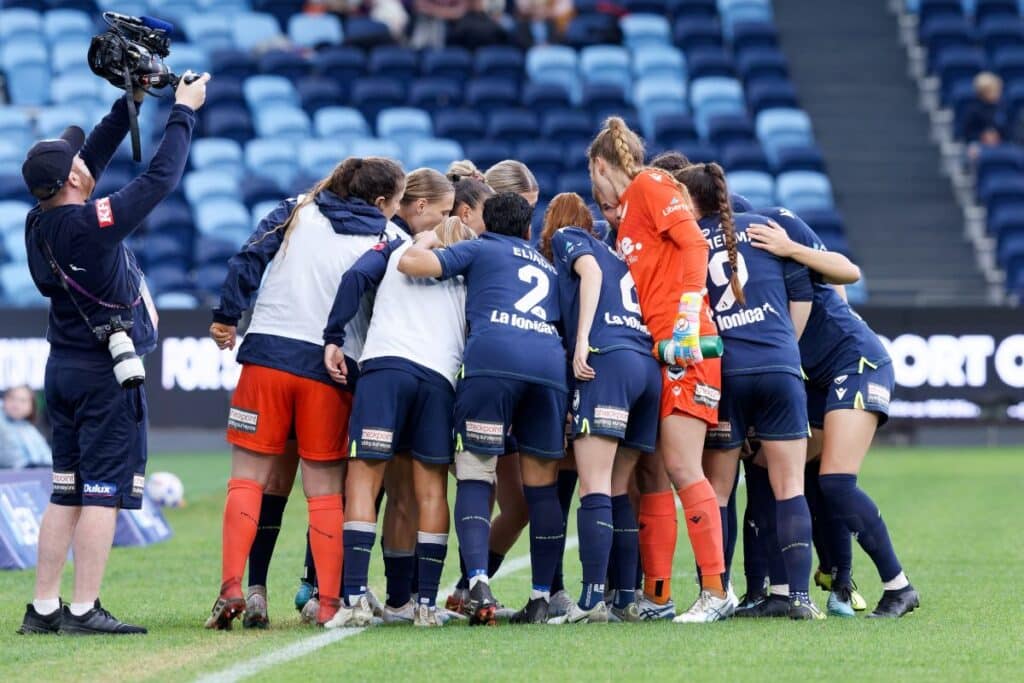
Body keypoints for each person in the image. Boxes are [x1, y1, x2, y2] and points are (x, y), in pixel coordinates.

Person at [16, 72, 209, 636]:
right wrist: (183, 111)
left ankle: (45, 607)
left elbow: (90, 155)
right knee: (101, 491)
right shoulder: (89, 225)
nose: (85, 161)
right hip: (105, 375)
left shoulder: (39, 221)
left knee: (65, 489)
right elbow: (160, 178)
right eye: (77, 162)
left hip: (65, 370)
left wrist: (131, 99)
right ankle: (84, 609)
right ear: (73, 178)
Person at [205, 157, 407, 629]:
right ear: (381, 202)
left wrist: (227, 315)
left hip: (267, 358)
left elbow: (247, 256)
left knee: (248, 480)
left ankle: (233, 588)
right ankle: (330, 603)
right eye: (396, 202)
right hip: (330, 369)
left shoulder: (297, 208)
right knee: (324, 492)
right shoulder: (390, 238)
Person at [398, 192, 568, 626]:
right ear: (529, 230)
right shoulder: (546, 263)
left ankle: (477, 584)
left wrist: (425, 241)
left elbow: (412, 265)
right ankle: (541, 598)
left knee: (477, 471)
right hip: (549, 364)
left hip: (494, 359)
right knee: (542, 488)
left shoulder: (479, 246)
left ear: (485, 224)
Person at [588, 117, 730, 623]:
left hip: (686, 343)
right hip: (658, 348)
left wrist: (690, 313)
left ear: (600, 165)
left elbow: (694, 244)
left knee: (682, 467)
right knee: (655, 473)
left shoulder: (651, 183)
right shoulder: (627, 218)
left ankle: (715, 591)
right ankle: (659, 595)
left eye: (594, 178)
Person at [745, 206, 918, 618]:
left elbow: (846, 272)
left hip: (857, 363)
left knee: (836, 481)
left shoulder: (774, 243)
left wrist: (791, 247)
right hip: (818, 378)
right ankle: (792, 590)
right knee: (770, 465)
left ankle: (899, 587)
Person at [673, 163, 822, 620]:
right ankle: (799, 598)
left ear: (689, 199)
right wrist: (782, 349)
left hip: (724, 375)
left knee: (717, 490)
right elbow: (804, 299)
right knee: (789, 486)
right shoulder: (763, 227)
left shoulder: (686, 240)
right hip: (780, 366)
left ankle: (717, 594)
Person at [322, 215, 474, 628]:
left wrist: (333, 337)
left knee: (364, 483)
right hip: (438, 379)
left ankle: (353, 598)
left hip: (386, 370)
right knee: (430, 493)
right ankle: (424, 604)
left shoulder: (397, 253)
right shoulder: (467, 274)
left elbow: (356, 280)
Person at [537, 193, 662, 624]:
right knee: (619, 486)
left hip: (608, 362)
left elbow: (587, 274)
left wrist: (582, 342)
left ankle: (591, 601)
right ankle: (624, 596)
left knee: (592, 484)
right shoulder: (620, 257)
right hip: (647, 367)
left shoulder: (574, 240)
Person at [0, 386, 52, 469]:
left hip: (38, 474)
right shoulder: (2, 420)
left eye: (23, 401)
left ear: (32, 406)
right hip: (10, 477)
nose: (16, 404)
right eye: (12, 398)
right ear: (4, 400)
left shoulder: (29, 429)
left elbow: (47, 458)